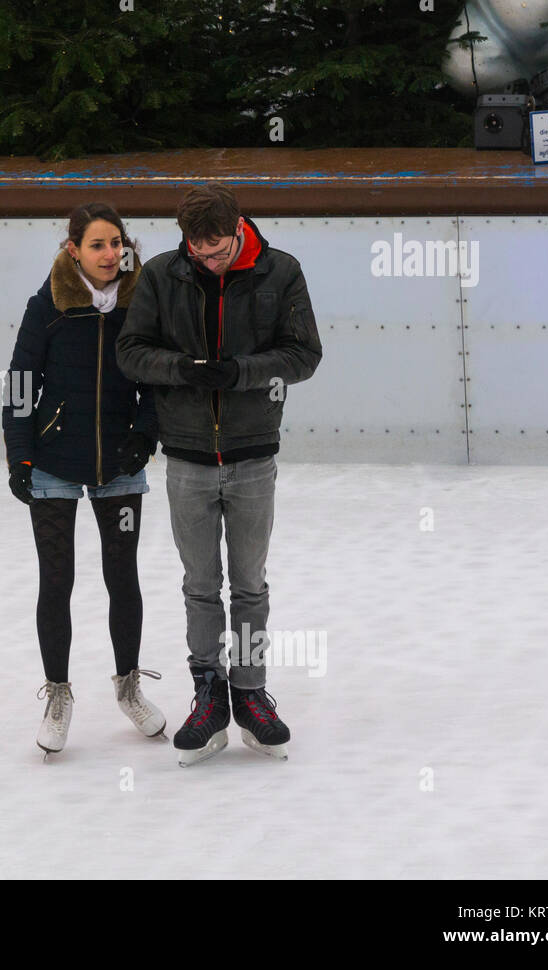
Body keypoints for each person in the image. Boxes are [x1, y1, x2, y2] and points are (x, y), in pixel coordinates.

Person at [116, 184, 322, 764]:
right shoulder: (161, 274)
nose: (208, 262)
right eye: (198, 253)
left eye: (218, 252)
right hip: (186, 457)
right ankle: (208, 693)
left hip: (253, 453)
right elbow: (130, 352)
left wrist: (240, 374)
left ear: (239, 230)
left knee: (250, 584)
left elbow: (304, 354)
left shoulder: (281, 272)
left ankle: (251, 691)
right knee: (200, 585)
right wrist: (182, 370)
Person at [2, 202, 166, 757]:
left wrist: (144, 436)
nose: (109, 254)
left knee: (123, 576)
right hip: (53, 465)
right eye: (96, 245)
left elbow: (158, 383)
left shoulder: (140, 304)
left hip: (120, 465)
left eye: (115, 243)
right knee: (58, 579)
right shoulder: (47, 305)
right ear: (74, 249)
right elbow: (22, 384)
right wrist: (19, 457)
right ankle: (59, 694)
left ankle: (128, 686)